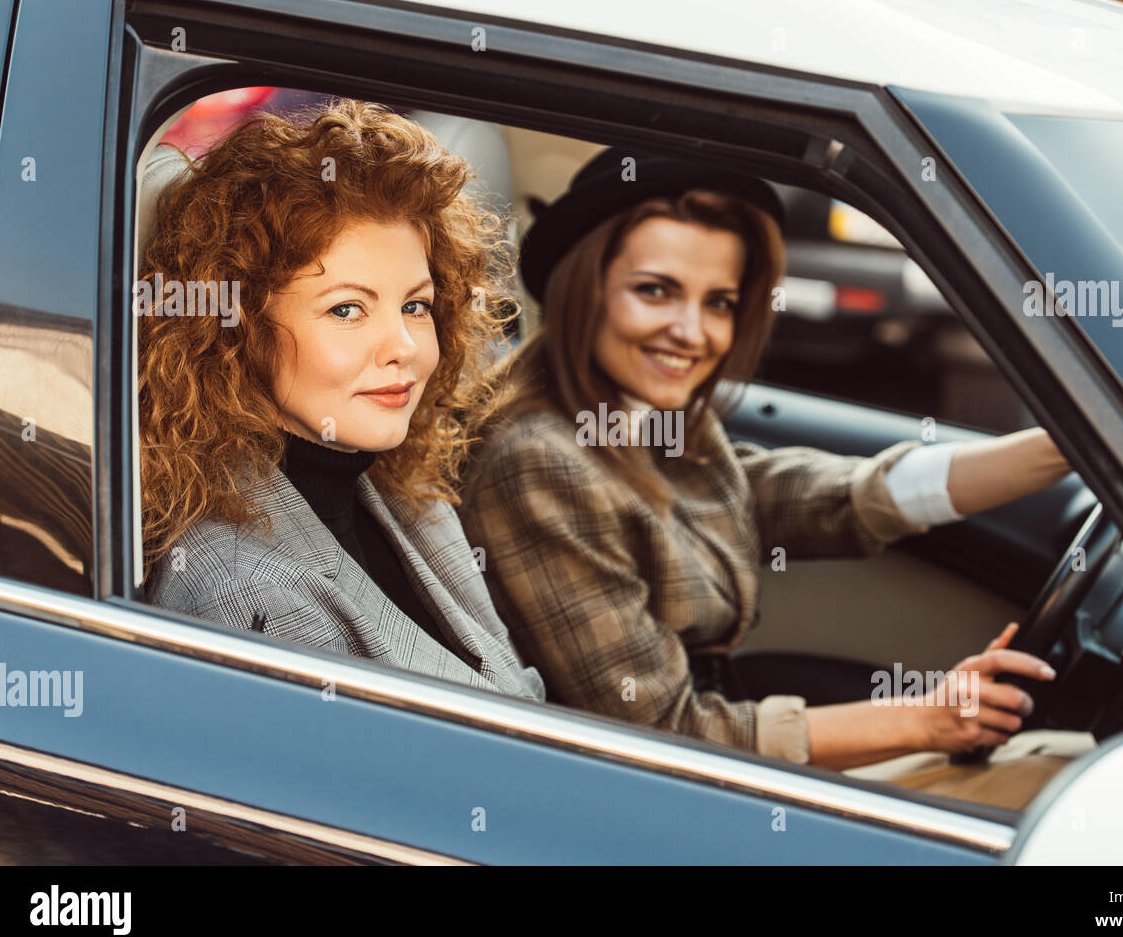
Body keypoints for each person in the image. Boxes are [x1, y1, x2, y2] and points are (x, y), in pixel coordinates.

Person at [457, 149, 1077, 771]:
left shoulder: (639, 413)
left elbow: (789, 497)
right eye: (655, 291)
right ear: (581, 289)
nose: (693, 332)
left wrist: (1063, 447)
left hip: (719, 746)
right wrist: (929, 718)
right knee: (1051, 770)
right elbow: (664, 737)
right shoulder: (537, 463)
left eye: (719, 303)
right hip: (666, 799)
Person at [140, 99, 543, 702]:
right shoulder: (243, 591)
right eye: (346, 309)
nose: (404, 346)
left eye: (415, 305)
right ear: (238, 329)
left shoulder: (400, 490)